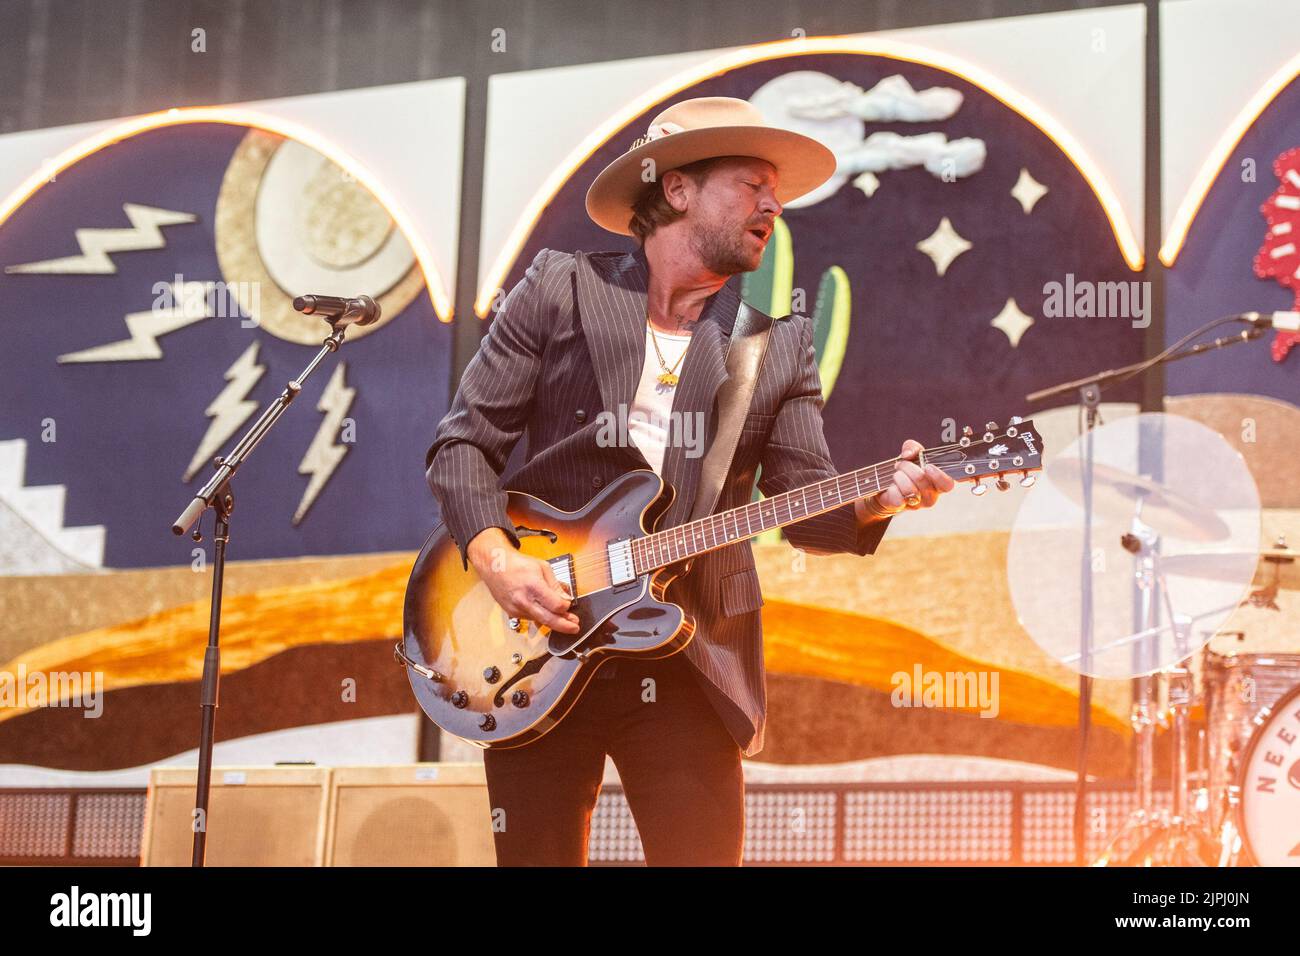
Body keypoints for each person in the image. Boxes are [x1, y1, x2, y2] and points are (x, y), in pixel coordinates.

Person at [424, 96, 956, 866]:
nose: (774, 205)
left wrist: (874, 500)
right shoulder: (559, 288)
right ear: (676, 189)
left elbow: (806, 511)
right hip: (537, 645)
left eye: (776, 191)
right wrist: (499, 560)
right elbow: (462, 446)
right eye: (751, 184)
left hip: (689, 654)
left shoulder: (775, 347)